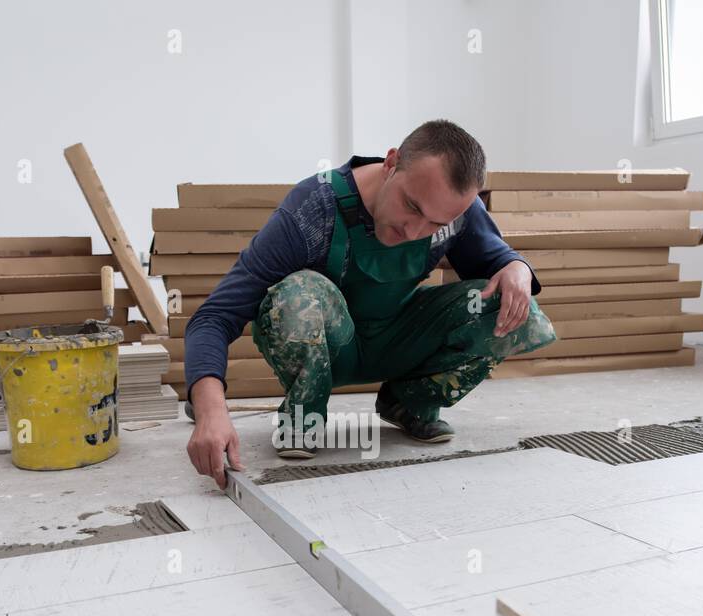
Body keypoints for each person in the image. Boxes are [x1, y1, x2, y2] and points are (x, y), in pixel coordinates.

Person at [184, 119, 556, 488]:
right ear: (391, 162)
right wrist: (211, 410)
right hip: (330, 347)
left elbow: (498, 257)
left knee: (515, 307)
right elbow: (215, 317)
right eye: (411, 206)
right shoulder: (314, 207)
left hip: (397, 340)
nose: (414, 231)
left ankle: (409, 402)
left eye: (435, 222)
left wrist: (517, 267)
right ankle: (303, 416)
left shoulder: (457, 213)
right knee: (299, 295)